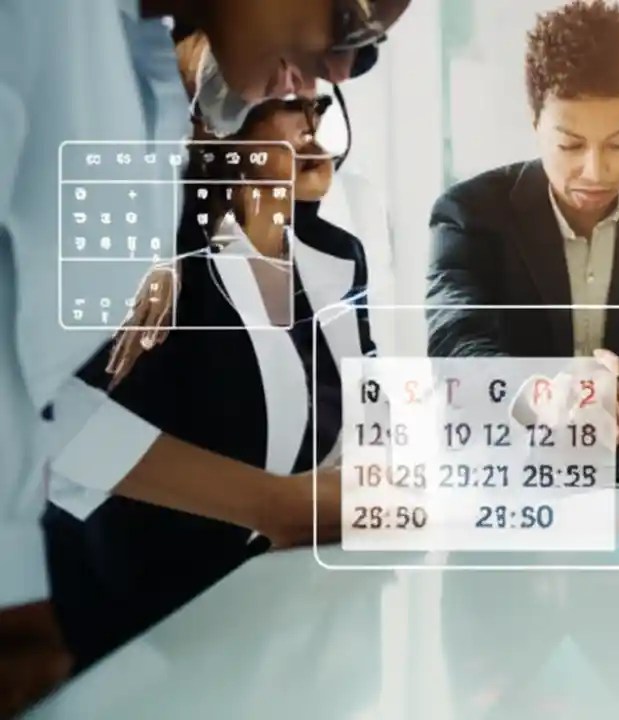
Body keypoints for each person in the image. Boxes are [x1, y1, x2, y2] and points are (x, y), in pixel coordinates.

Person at [0, 1, 408, 711]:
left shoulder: (140, 68)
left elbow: (35, 387)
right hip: (111, 621)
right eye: (351, 16)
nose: (339, 71)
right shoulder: (42, 25)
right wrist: (280, 505)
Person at [426, 0, 619, 469]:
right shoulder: (469, 214)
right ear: (535, 124)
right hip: (505, 478)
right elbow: (456, 343)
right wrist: (544, 388)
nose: (595, 170)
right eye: (570, 145)